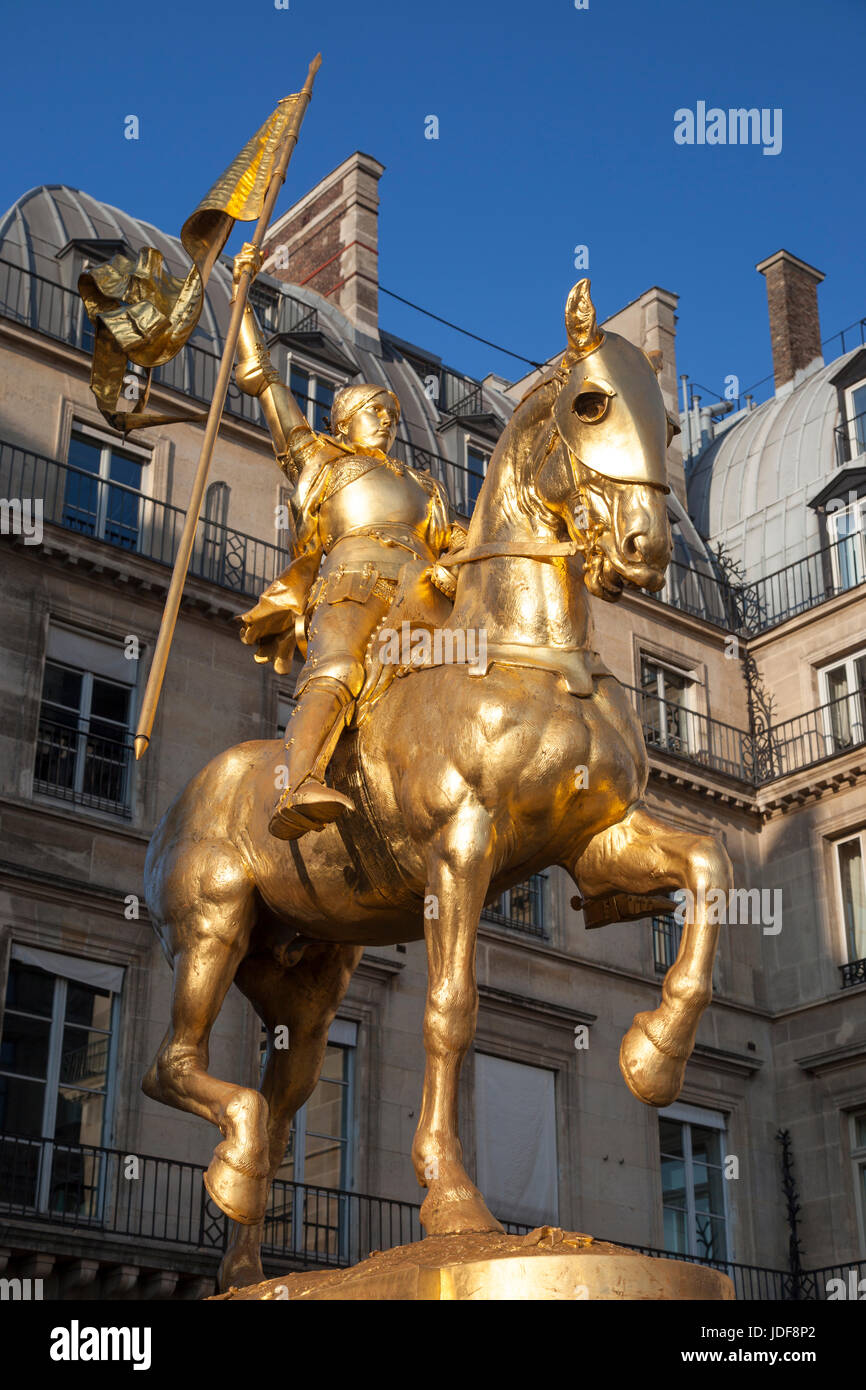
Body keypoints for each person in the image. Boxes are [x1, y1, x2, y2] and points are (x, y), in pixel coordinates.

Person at [232, 245, 465, 840]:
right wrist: (242, 314)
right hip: (353, 582)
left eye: (389, 412)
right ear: (343, 421)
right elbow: (268, 390)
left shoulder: (423, 484)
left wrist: (460, 558)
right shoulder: (321, 462)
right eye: (371, 410)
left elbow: (454, 540)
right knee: (337, 666)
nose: (385, 419)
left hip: (424, 597)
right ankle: (299, 781)